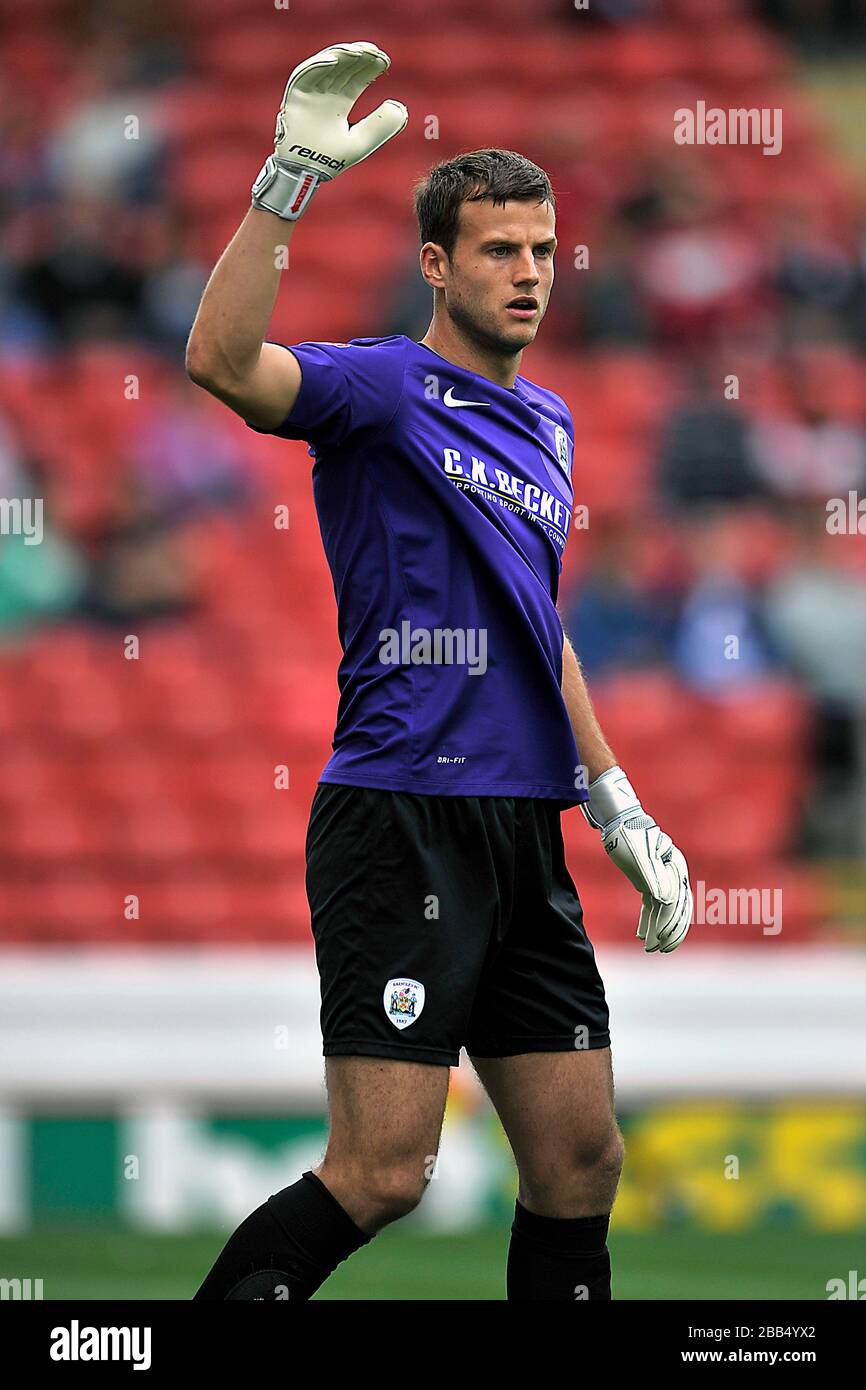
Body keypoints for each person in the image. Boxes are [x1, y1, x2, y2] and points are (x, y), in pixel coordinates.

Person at [185, 41, 692, 1302]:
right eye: (496, 252)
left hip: (524, 826)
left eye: (539, 251)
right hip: (402, 813)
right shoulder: (380, 389)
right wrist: (290, 176)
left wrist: (615, 799)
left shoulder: (551, 421)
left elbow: (538, 622)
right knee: (382, 1171)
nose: (526, 274)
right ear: (435, 265)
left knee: (580, 1159)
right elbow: (221, 362)